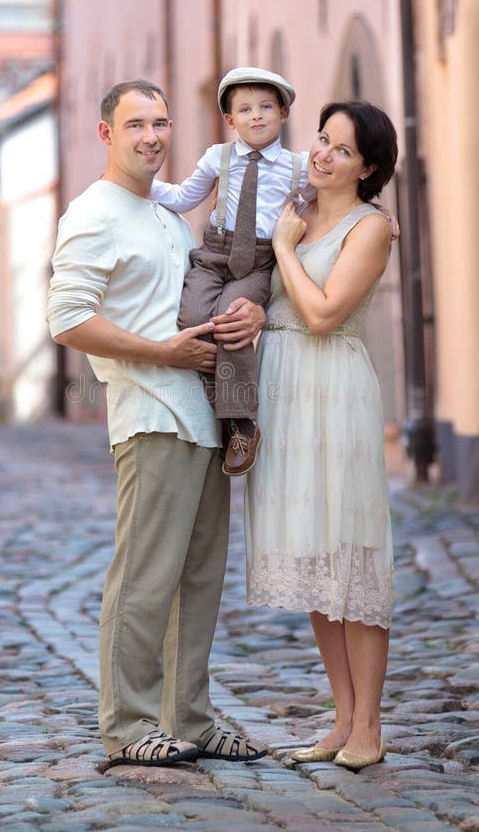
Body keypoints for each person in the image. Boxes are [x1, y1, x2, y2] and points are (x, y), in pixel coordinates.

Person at [46, 79, 268, 768]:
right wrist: (160, 352)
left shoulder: (170, 217)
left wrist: (248, 314)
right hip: (150, 414)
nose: (152, 136)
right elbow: (68, 319)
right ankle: (128, 725)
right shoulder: (93, 213)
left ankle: (191, 719)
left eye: (161, 122)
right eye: (136, 123)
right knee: (143, 578)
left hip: (204, 414)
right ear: (106, 134)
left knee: (199, 580)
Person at [243, 101, 398, 770]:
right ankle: (340, 721)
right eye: (322, 139)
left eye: (340, 148)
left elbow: (324, 315)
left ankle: (369, 728)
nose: (322, 153)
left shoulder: (371, 229)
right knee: (311, 560)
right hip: (285, 396)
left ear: (367, 166)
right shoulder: (297, 211)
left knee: (352, 558)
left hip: (334, 393)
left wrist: (283, 247)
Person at [152, 67, 310, 477]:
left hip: (257, 262)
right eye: (244, 109)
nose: (256, 116)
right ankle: (217, 404)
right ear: (230, 120)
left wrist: (376, 209)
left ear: (284, 113)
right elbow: (184, 196)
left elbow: (333, 199)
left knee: (231, 319)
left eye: (266, 107)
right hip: (215, 254)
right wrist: (134, 184)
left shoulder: (299, 167)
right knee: (192, 320)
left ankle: (241, 423)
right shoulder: (217, 158)